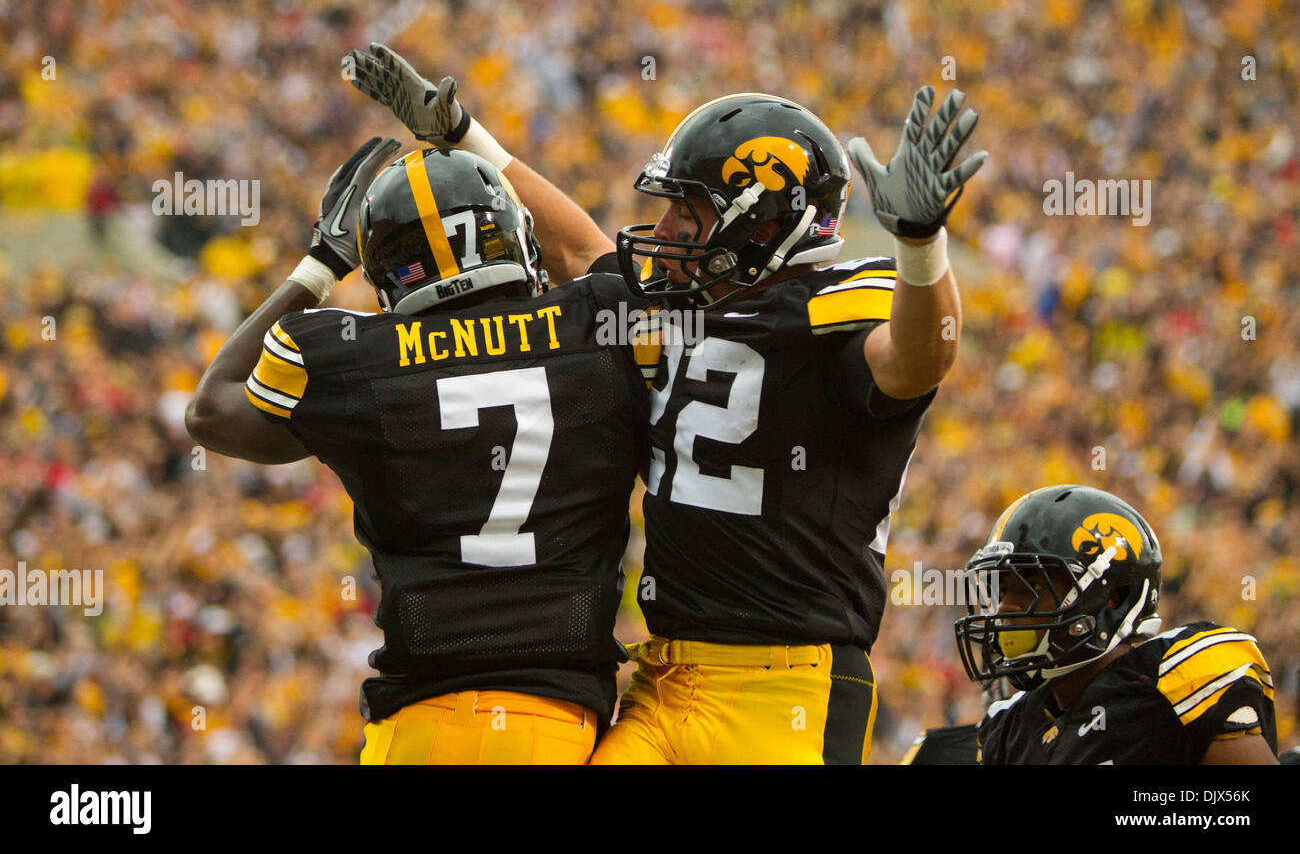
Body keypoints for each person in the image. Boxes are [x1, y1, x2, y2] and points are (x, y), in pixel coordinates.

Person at [349, 43, 987, 763]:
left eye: (691, 210)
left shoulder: (835, 313)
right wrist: (465, 136)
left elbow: (917, 358)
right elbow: (579, 250)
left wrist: (922, 247)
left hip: (786, 689)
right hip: (664, 678)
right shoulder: (675, 305)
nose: (669, 229)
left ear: (766, 222)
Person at [186, 136, 654, 763]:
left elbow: (212, 410)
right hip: (554, 725)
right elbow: (587, 250)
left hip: (418, 731)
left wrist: (320, 263)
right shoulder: (598, 321)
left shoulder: (353, 356)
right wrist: (469, 132)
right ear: (513, 236)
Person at [954, 484, 1278, 764]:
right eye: (1005, 590)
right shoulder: (1008, 731)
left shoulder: (1171, 687)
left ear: (1113, 598)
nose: (1006, 607)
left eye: (1034, 588)